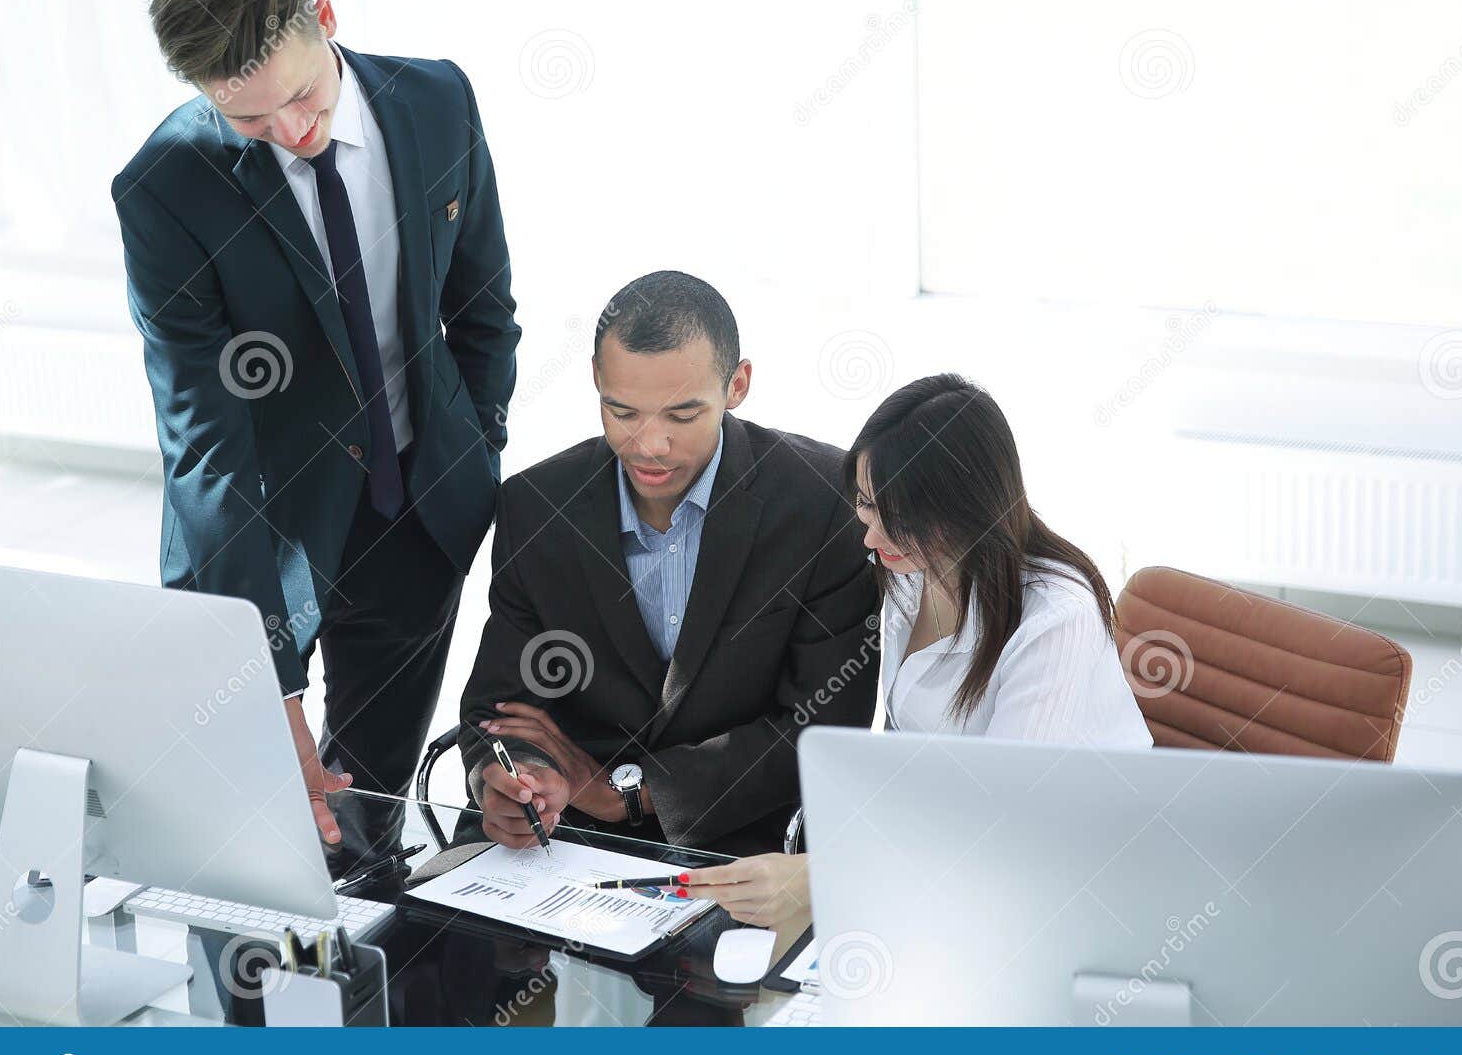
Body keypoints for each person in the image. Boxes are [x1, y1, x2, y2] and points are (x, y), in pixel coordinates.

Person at [113, 0, 519, 863]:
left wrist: (474, 448)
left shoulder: (438, 101)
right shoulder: (164, 189)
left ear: (326, 16)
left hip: (416, 516)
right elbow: (205, 448)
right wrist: (270, 682)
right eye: (249, 119)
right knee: (256, 841)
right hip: (256, 534)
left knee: (359, 826)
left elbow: (484, 308)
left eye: (300, 98)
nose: (290, 133)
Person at [684, 373, 1152, 925]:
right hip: (945, 867)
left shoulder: (1056, 617)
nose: (871, 538)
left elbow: (1007, 827)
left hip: (1068, 884)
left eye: (898, 519)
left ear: (968, 508)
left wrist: (825, 876)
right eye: (865, 505)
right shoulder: (910, 573)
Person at [458, 271, 880, 856]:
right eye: (623, 412)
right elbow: (499, 708)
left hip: (745, 847)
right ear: (596, 381)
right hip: (563, 844)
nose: (649, 446)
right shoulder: (535, 507)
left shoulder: (822, 503)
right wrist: (510, 782)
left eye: (682, 415)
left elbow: (826, 732)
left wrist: (629, 793)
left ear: (738, 385)